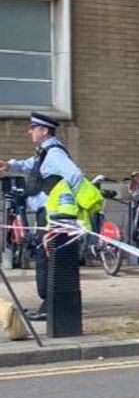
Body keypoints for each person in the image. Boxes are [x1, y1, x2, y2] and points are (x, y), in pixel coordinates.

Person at [0, 113, 83, 321]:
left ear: (44, 131)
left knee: (46, 257)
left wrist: (65, 202)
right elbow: (31, 165)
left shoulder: (54, 153)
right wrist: (9, 165)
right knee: (45, 255)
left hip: (52, 213)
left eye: (33, 127)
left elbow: (74, 176)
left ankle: (50, 306)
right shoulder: (45, 152)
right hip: (47, 212)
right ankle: (48, 304)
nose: (29, 131)